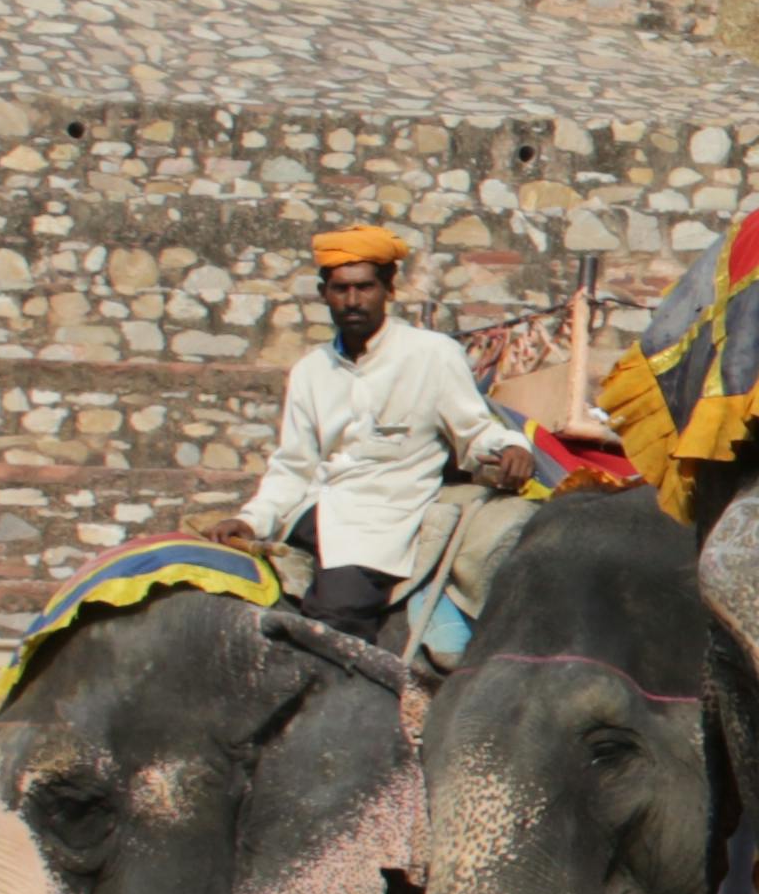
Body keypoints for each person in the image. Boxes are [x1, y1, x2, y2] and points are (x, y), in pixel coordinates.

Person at [216, 226, 536, 635]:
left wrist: (511, 447)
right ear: (323, 293)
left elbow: (474, 433)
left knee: (338, 617)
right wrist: (252, 520)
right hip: (315, 511)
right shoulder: (310, 370)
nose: (352, 301)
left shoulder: (432, 355)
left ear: (389, 290)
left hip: (383, 518)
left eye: (364, 288)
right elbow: (292, 467)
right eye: (340, 289)